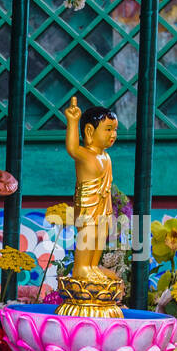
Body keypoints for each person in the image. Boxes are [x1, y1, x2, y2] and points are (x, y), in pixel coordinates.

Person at [65, 99, 118, 282]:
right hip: (88, 205)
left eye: (114, 129)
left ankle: (93, 266)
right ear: (89, 131)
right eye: (108, 129)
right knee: (89, 234)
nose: (113, 134)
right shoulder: (84, 154)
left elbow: (107, 185)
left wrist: (109, 209)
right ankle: (81, 268)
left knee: (102, 232)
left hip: (103, 204)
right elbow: (71, 148)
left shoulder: (106, 157)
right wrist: (72, 121)